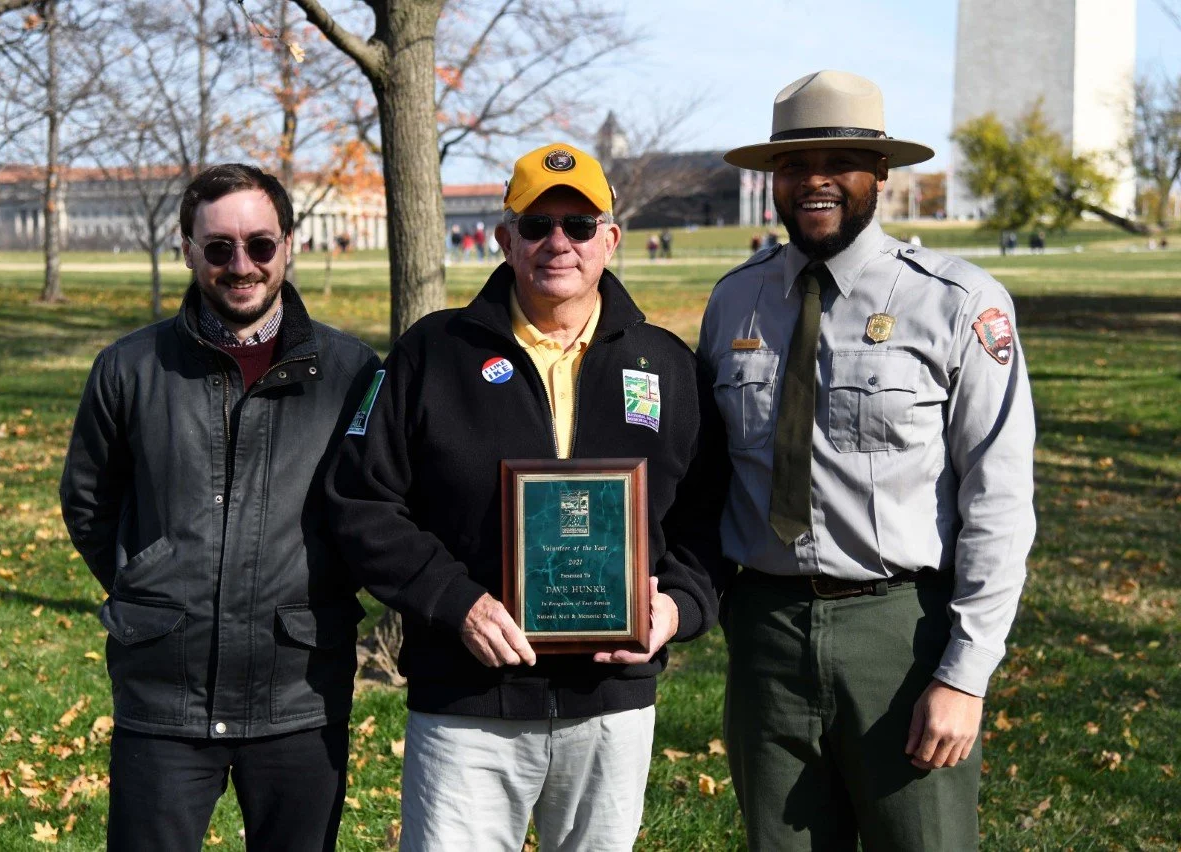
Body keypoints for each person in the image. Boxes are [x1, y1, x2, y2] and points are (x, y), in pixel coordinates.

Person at [326, 142, 728, 851]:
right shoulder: (432, 354)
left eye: (578, 226)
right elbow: (360, 503)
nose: (558, 243)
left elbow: (709, 515)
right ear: (504, 238)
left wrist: (677, 608)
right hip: (467, 702)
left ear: (611, 238)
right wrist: (458, 604)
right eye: (537, 225)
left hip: (611, 706)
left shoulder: (667, 365)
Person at [701, 70, 1036, 850]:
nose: (815, 180)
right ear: (772, 181)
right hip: (766, 635)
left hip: (903, 636)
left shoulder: (957, 302)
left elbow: (999, 498)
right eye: (793, 164)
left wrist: (964, 673)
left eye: (840, 159)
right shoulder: (734, 303)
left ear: (880, 173)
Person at [60, 163, 380, 851]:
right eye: (218, 248)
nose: (242, 265)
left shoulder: (352, 372)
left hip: (299, 688)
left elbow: (374, 506)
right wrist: (148, 577)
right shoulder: (130, 368)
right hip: (163, 692)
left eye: (260, 245)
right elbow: (89, 500)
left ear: (289, 245)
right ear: (187, 250)